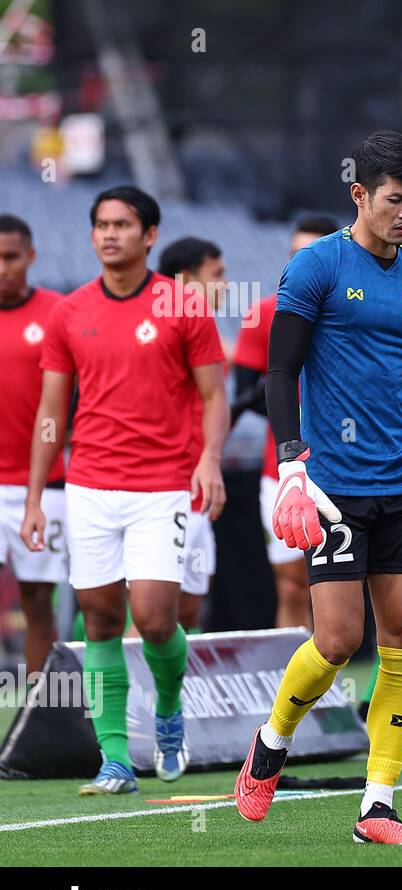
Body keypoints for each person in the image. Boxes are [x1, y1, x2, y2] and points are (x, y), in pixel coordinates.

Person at [234, 130, 402, 844]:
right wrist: (293, 465)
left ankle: (378, 805)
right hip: (334, 484)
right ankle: (272, 741)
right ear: (360, 194)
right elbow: (278, 373)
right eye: (395, 200)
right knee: (338, 640)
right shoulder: (315, 268)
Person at [22, 186, 229, 794]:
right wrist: (38, 496)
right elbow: (51, 411)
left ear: (150, 236)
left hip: (162, 486)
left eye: (122, 224)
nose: (110, 234)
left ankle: (168, 707)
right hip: (88, 486)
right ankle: (114, 759)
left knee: (157, 619)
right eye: (101, 225)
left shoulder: (183, 306)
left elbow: (214, 395)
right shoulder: (69, 312)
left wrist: (210, 459)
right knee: (100, 619)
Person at [230, 214, 339, 629]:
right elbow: (244, 396)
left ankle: (340, 685)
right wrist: (293, 409)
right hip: (283, 469)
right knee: (292, 584)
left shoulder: (355, 312)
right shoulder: (264, 314)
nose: (301, 262)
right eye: (294, 254)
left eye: (310, 253)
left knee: (347, 581)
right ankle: (292, 688)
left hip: (346, 467)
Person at [0, 214, 66, 676]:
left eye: (10, 257)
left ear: (31, 256)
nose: (2, 267)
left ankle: (39, 718)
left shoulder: (58, 312)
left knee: (38, 598)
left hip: (45, 486)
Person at [157, 236, 227, 633]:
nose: (227, 285)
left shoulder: (204, 331)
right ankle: (126, 693)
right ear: (186, 281)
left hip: (197, 484)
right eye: (216, 275)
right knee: (154, 609)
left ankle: (172, 694)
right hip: (165, 488)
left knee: (189, 604)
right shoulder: (159, 335)